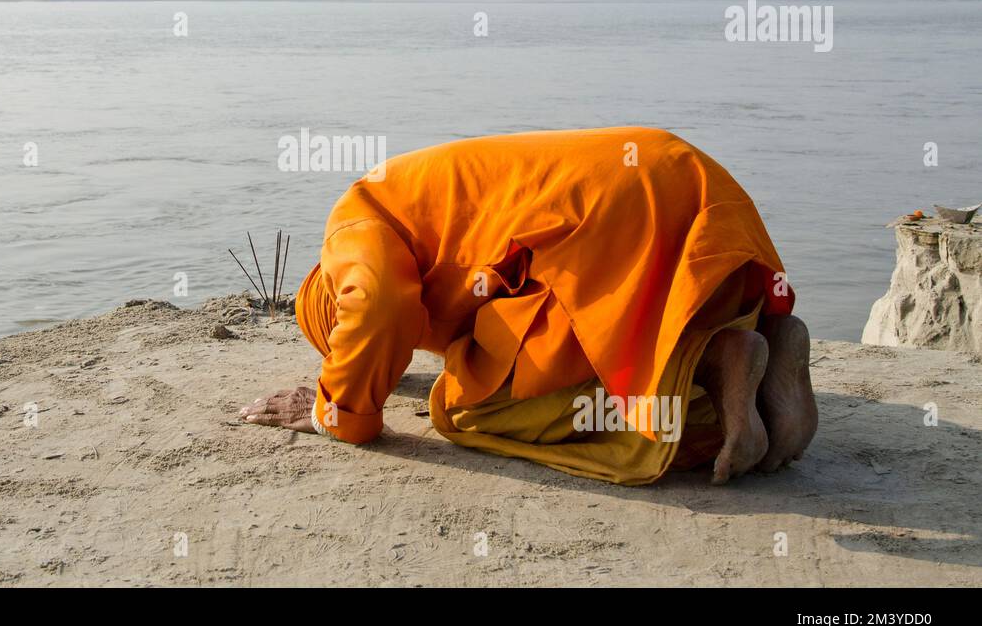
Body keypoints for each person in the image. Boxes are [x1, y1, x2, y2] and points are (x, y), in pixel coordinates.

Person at [239, 127, 817, 486]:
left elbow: (378, 303)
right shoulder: (412, 189)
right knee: (650, 318)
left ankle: (714, 363)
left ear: (323, 290)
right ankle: (756, 344)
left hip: (606, 213)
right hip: (682, 170)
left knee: (471, 410)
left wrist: (337, 409)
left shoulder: (354, 220)